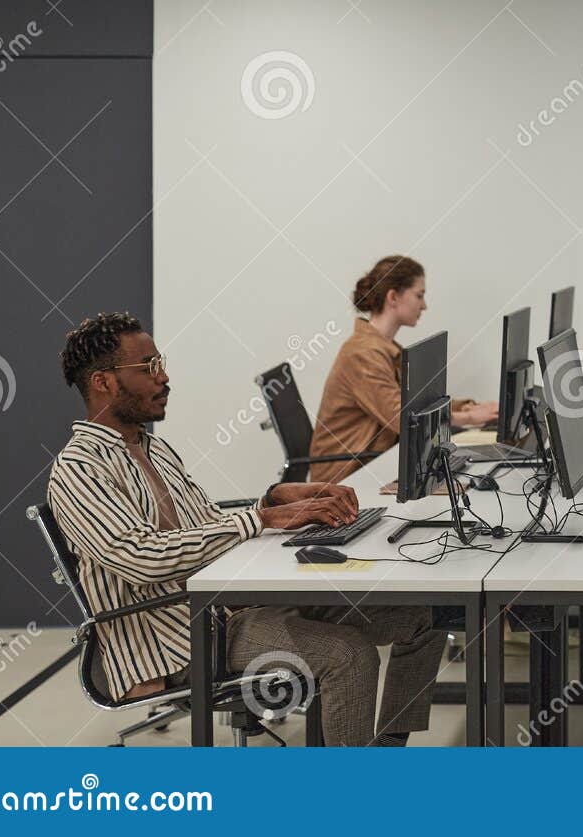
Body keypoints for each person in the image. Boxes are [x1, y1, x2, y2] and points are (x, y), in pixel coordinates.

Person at [46, 312, 447, 746]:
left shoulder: (153, 447)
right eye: (148, 368)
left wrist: (271, 501)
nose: (164, 378)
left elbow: (205, 526)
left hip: (230, 606)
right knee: (348, 656)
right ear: (103, 382)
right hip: (181, 637)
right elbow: (143, 558)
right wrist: (259, 520)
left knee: (418, 618)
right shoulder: (78, 469)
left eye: (160, 364)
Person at [308, 255, 498, 484]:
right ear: (393, 297)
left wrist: (470, 407)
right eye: (419, 295)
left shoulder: (383, 349)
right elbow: (403, 419)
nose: (424, 305)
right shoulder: (362, 354)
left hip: (374, 462)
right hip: (346, 476)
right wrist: (467, 417)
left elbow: (416, 402)